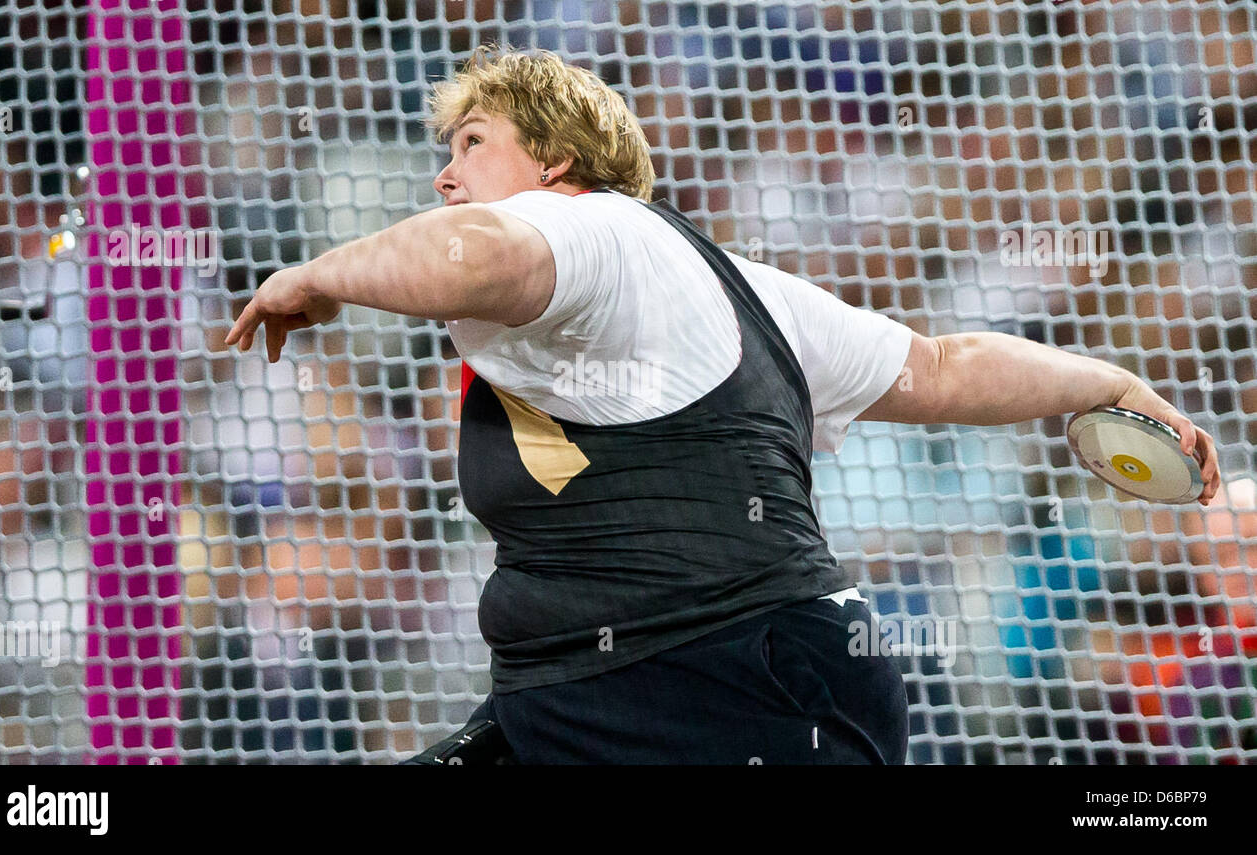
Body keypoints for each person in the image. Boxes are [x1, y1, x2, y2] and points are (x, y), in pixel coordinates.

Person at [223, 46, 1222, 764]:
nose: (445, 169)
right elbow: (945, 368)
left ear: (557, 161)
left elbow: (464, 253)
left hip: (735, 689)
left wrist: (318, 273)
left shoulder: (594, 233)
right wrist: (1105, 384)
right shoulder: (738, 286)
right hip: (592, 701)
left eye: (474, 141)